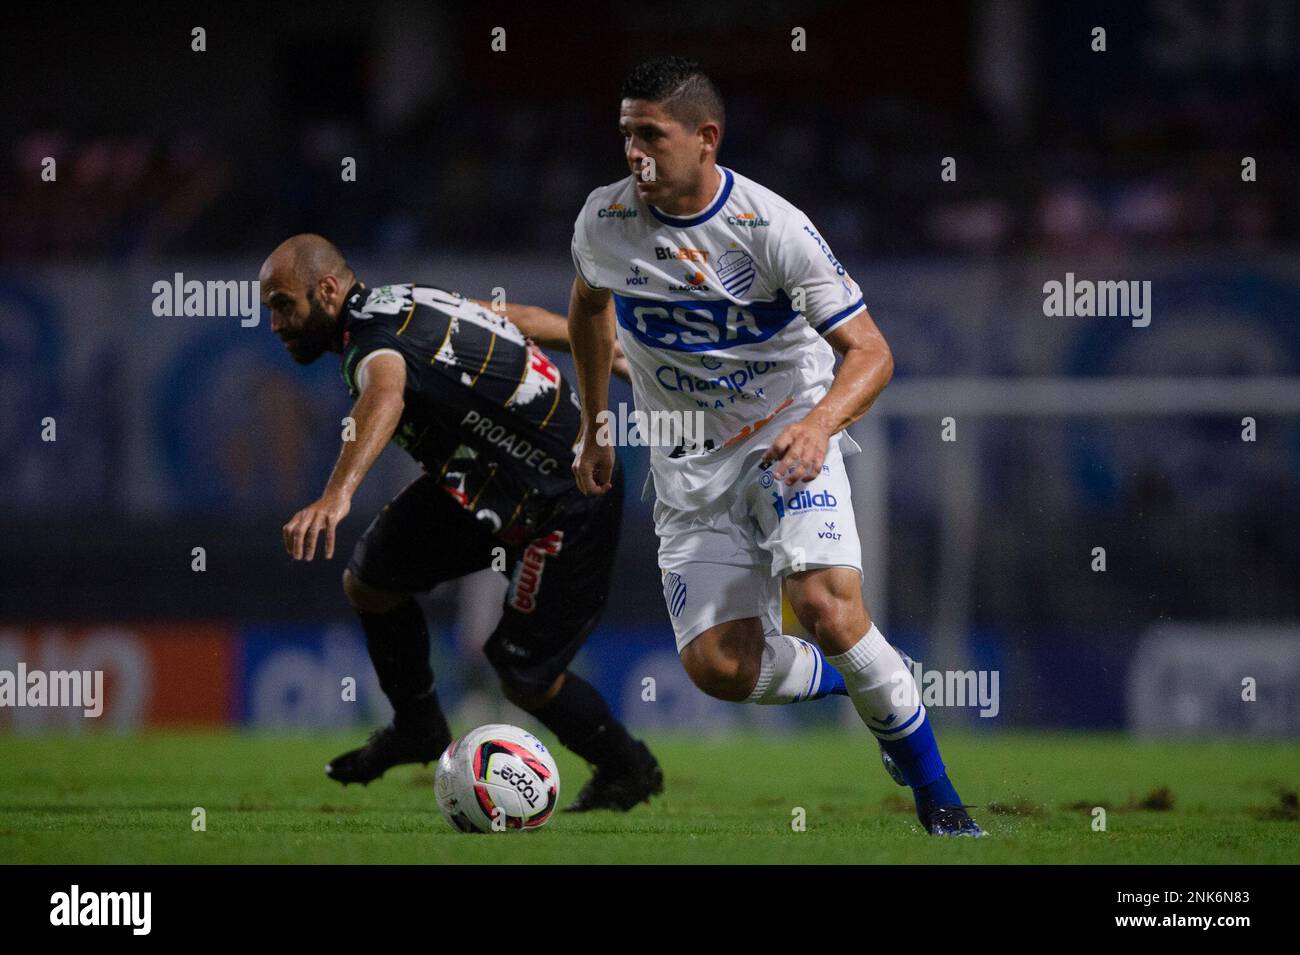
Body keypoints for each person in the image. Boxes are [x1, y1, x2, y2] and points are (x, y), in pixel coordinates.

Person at [566, 58, 982, 835]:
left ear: (706, 138)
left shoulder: (771, 228)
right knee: (718, 668)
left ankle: (939, 798)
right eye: (625, 135)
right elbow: (588, 309)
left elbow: (872, 352)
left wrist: (819, 424)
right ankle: (864, 685)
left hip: (784, 437)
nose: (634, 154)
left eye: (650, 135)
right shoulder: (605, 220)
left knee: (824, 602)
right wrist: (593, 423)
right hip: (686, 463)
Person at [259, 234, 662, 812]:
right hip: (485, 479)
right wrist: (612, 353)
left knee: (522, 674)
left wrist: (336, 495)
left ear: (327, 290)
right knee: (369, 581)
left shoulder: (371, 342)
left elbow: (386, 392)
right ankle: (418, 727)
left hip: (567, 495)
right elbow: (507, 317)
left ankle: (630, 770)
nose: (276, 324)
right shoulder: (405, 300)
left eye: (282, 304)